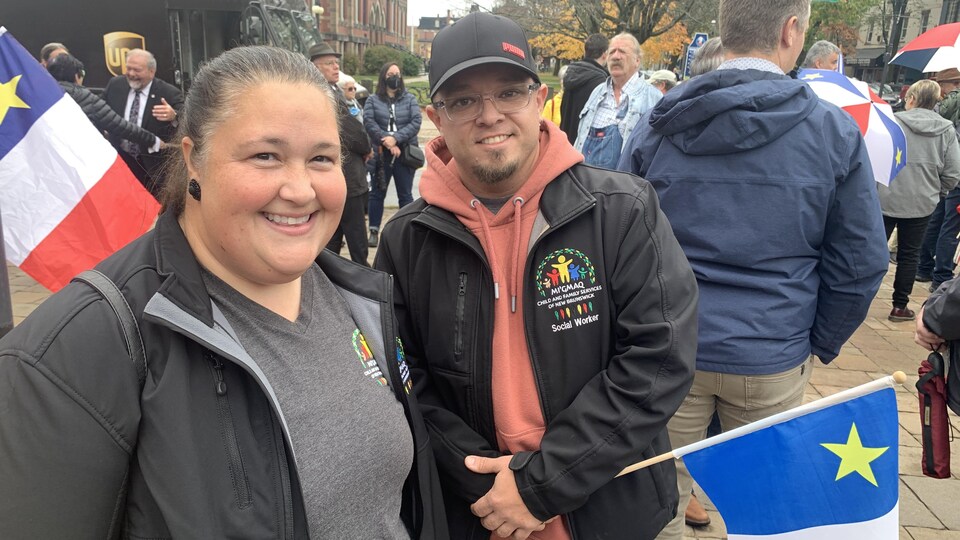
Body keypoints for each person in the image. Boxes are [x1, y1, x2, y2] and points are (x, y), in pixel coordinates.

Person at [0, 45, 446, 539]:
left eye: (322, 158)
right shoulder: (72, 353)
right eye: (265, 156)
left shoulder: (362, 298)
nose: (300, 190)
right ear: (194, 159)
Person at [375, 11, 699, 540]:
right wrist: (486, 483)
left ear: (539, 97)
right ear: (437, 115)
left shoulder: (621, 209)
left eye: (508, 92)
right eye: (463, 101)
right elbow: (403, 380)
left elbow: (659, 358)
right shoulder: (406, 239)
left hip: (608, 504)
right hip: (478, 511)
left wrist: (543, 483)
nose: (489, 115)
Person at [619, 1, 888, 538]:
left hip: (671, 348)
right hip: (771, 351)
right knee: (766, 500)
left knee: (656, 499)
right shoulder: (831, 132)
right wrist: (817, 339)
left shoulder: (657, 126)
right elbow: (860, 261)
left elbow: (618, 243)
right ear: (792, 30)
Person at [880, 80, 960, 321]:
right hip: (922, 202)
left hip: (886, 196)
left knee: (874, 250)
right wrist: (937, 192)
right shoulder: (946, 130)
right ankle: (899, 306)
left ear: (911, 98)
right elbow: (953, 172)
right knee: (909, 255)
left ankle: (861, 298)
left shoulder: (891, 122)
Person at [309, 42, 372, 266]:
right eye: (329, 63)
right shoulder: (324, 94)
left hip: (339, 173)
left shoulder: (331, 90)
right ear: (316, 68)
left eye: (337, 63)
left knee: (332, 237)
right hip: (345, 176)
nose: (336, 67)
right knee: (353, 238)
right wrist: (367, 148)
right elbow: (351, 131)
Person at [103, 48, 184, 198]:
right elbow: (101, 111)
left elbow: (187, 122)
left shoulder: (169, 93)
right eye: (128, 68)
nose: (131, 74)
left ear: (151, 71)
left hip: (152, 170)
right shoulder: (115, 85)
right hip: (120, 163)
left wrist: (174, 116)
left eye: (137, 70)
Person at [574, 33, 662, 169]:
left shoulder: (654, 98)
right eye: (612, 52)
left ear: (637, 60)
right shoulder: (597, 93)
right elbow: (580, 140)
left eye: (622, 51)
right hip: (586, 185)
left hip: (627, 186)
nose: (616, 56)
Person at [47, 54, 162, 155]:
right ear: (76, 76)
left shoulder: (39, 95)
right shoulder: (85, 97)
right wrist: (153, 141)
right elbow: (121, 126)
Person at [364, 62, 421, 248]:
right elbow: (369, 122)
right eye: (390, 73)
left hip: (404, 153)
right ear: (383, 76)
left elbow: (415, 122)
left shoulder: (410, 99)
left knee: (405, 194)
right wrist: (386, 141)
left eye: (397, 73)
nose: (394, 77)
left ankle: (408, 231)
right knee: (377, 194)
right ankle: (373, 230)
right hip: (381, 154)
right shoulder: (373, 100)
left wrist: (396, 139)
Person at [918, 67, 960, 290]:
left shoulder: (943, 107)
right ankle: (941, 275)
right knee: (950, 227)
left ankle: (924, 266)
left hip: (945, 170)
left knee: (938, 220)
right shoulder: (954, 104)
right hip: (956, 173)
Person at [558, 33, 608, 143]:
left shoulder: (571, 73)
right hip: (585, 145)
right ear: (604, 54)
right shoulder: (601, 82)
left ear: (585, 52)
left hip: (566, 140)